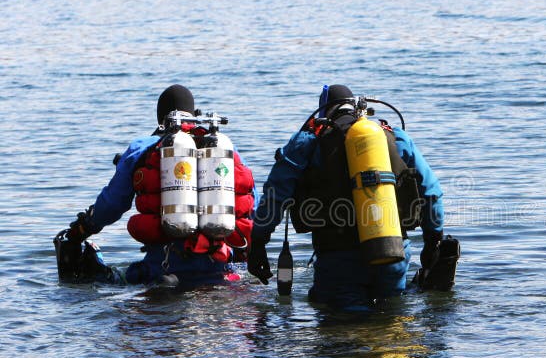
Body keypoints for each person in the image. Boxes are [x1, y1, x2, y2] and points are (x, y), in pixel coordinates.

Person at [248, 84, 445, 312]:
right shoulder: (393, 136)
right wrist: (433, 241)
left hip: (338, 256)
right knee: (391, 319)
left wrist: (259, 242)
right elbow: (431, 193)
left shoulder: (307, 142)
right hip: (392, 251)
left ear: (324, 110)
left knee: (339, 328)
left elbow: (275, 195)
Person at [61, 84, 256, 287]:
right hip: (220, 269)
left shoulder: (142, 148)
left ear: (160, 118)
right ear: (192, 114)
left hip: (162, 268)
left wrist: (83, 228)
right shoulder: (222, 149)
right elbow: (251, 205)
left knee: (104, 277)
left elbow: (111, 205)